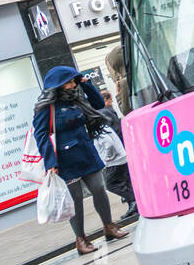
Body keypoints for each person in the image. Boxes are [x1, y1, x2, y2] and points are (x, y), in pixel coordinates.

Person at [32, 66, 127, 255]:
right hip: (65, 161)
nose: (73, 84)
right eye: (69, 81)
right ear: (58, 85)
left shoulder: (76, 97)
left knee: (99, 189)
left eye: (74, 80)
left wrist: (87, 83)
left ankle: (109, 227)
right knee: (75, 200)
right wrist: (51, 162)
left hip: (86, 153)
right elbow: (41, 135)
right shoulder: (46, 107)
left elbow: (99, 104)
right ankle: (81, 239)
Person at [99, 91, 138, 223]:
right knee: (125, 180)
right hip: (121, 152)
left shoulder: (103, 113)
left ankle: (134, 201)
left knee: (111, 184)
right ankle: (133, 204)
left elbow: (108, 139)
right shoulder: (109, 111)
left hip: (115, 157)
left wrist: (107, 157)